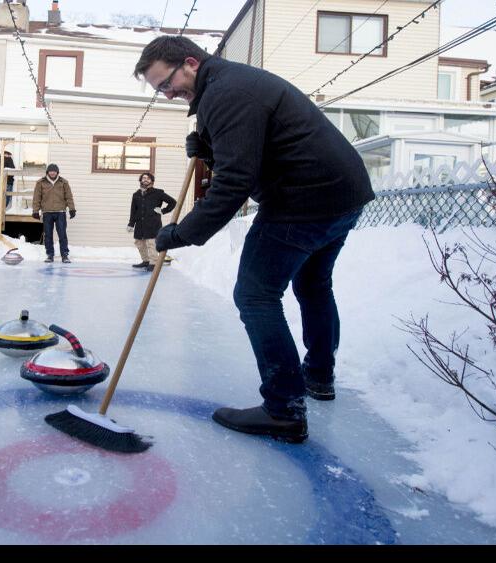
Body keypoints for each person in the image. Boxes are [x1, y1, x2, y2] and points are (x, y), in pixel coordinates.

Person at [135, 36, 374, 444]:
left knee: (255, 295)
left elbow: (233, 183)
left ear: (190, 62)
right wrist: (207, 148)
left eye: (166, 84)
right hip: (343, 195)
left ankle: (283, 409)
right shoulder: (229, 85)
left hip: (304, 199)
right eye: (161, 90)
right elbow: (250, 153)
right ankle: (318, 376)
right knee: (313, 285)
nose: (168, 94)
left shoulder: (226, 93)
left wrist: (181, 233)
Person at [127, 172, 176, 270]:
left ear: (152, 181)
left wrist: (163, 211)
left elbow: (173, 202)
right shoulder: (136, 194)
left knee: (151, 243)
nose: (145, 179)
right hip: (140, 223)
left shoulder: (158, 193)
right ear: (140, 180)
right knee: (139, 243)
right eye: (143, 178)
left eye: (148, 178)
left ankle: (153, 264)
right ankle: (146, 261)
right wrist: (131, 223)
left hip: (153, 223)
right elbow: (133, 210)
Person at [32, 163, 76, 263]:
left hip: (60, 212)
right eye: (50, 171)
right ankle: (50, 255)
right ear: (48, 172)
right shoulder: (41, 183)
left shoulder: (64, 182)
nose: (52, 173)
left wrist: (72, 209)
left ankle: (64, 255)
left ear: (57, 172)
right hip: (47, 212)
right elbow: (37, 198)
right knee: (48, 235)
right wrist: (35, 211)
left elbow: (69, 196)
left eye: (54, 171)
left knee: (62, 234)